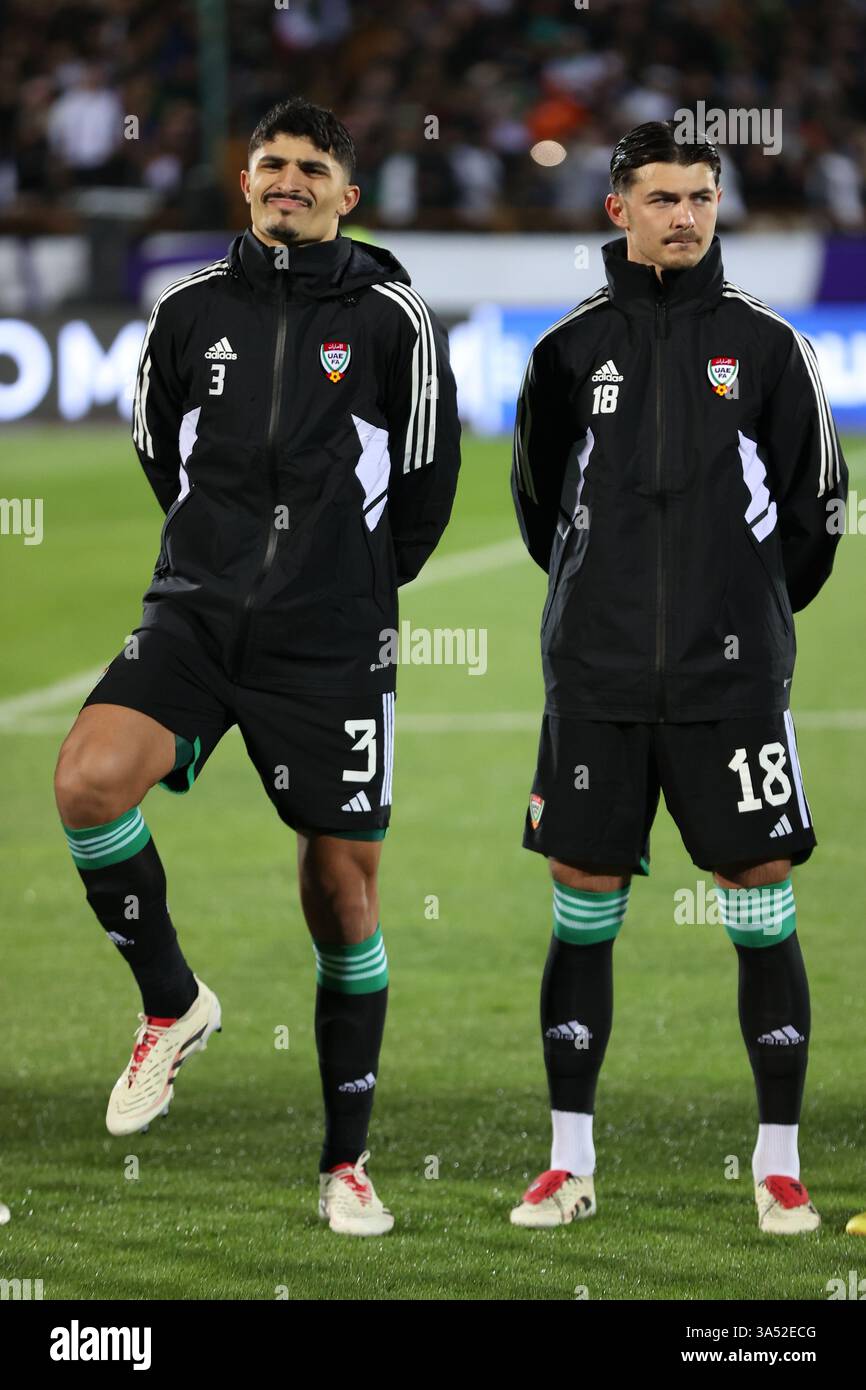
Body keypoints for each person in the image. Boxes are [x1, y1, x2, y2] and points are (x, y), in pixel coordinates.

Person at [54, 97, 461, 1238]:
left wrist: (346, 586)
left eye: (311, 168)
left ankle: (346, 1162)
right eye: (271, 165)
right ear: (246, 183)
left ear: (348, 193)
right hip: (195, 615)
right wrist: (217, 559)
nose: (289, 181)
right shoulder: (187, 309)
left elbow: (427, 483)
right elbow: (159, 447)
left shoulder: (392, 317)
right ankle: (173, 1006)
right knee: (87, 780)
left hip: (329, 640)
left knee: (341, 898)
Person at [510, 119, 847, 1235]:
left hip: (729, 684)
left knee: (757, 891)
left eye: (699, 196)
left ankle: (779, 1163)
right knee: (583, 905)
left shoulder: (764, 346)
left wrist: (738, 617)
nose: (683, 215)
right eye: (659, 197)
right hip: (596, 681)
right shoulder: (565, 351)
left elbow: (815, 515)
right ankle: (568, 1160)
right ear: (616, 211)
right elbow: (538, 506)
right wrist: (597, 608)